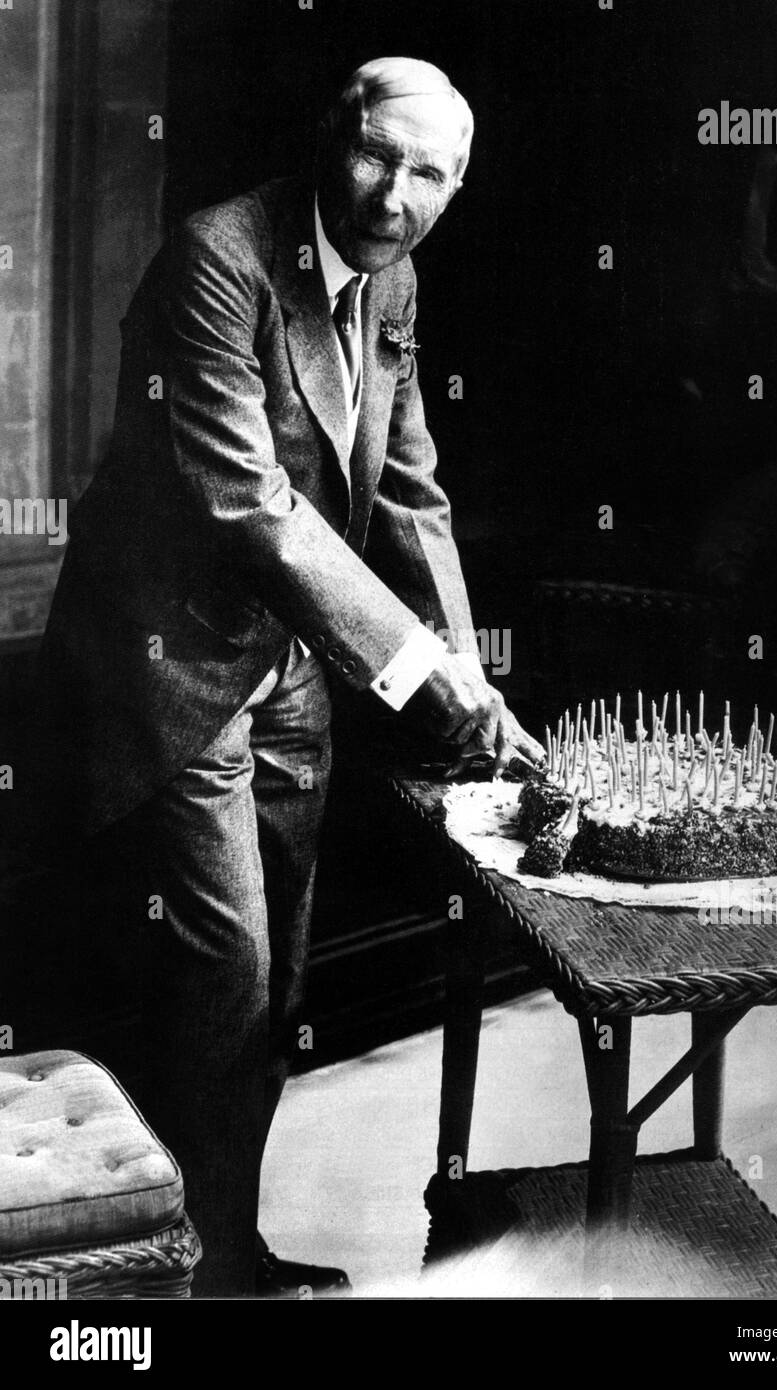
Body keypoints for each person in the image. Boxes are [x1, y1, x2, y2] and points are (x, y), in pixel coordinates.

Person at [12, 57, 542, 1297]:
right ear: (329, 137)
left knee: (279, 973)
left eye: (425, 173)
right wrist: (417, 673)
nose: (391, 194)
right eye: (374, 155)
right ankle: (190, 1275)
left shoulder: (393, 278)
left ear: (455, 186)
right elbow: (248, 505)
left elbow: (407, 489)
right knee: (225, 969)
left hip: (291, 664)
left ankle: (227, 1251)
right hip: (173, 664)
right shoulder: (217, 258)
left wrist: (465, 673)